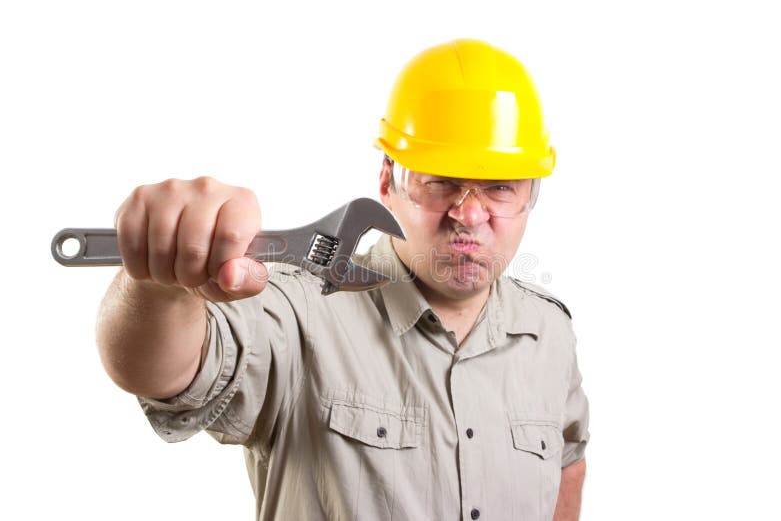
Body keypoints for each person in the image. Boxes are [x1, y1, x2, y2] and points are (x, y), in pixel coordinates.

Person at [97, 38, 590, 521]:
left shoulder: (549, 331)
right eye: (440, 182)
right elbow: (167, 372)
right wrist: (155, 287)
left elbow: (568, 458)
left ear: (532, 194)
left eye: (500, 187)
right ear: (386, 183)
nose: (468, 214)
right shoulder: (298, 312)